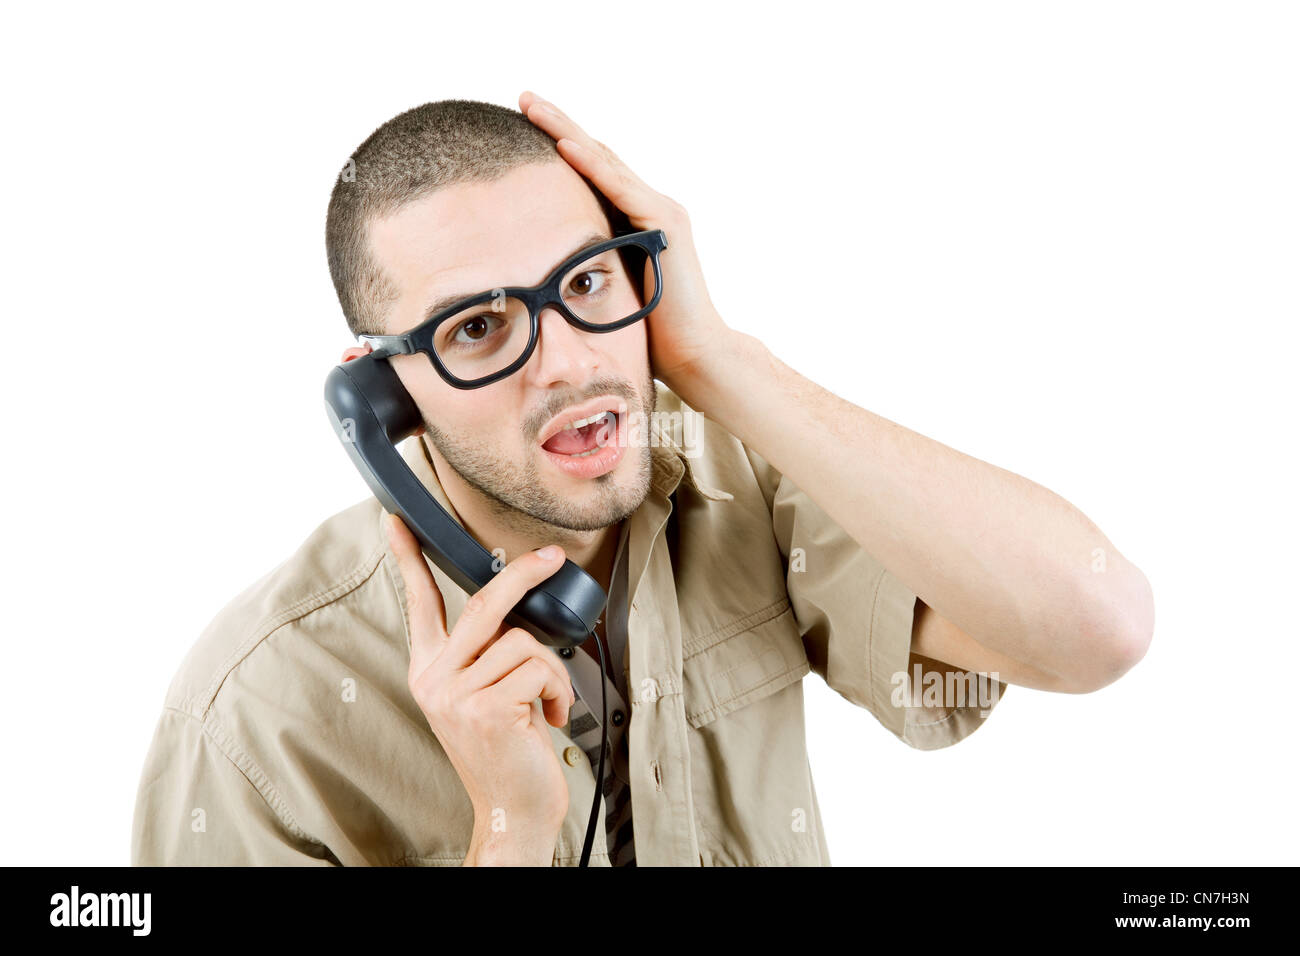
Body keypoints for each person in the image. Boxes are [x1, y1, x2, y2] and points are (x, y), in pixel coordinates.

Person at [130, 92, 1154, 866]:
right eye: (478, 327)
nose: (568, 361)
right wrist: (509, 827)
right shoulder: (255, 710)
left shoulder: (744, 494)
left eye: (586, 282)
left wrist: (714, 358)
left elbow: (1096, 622)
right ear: (380, 394)